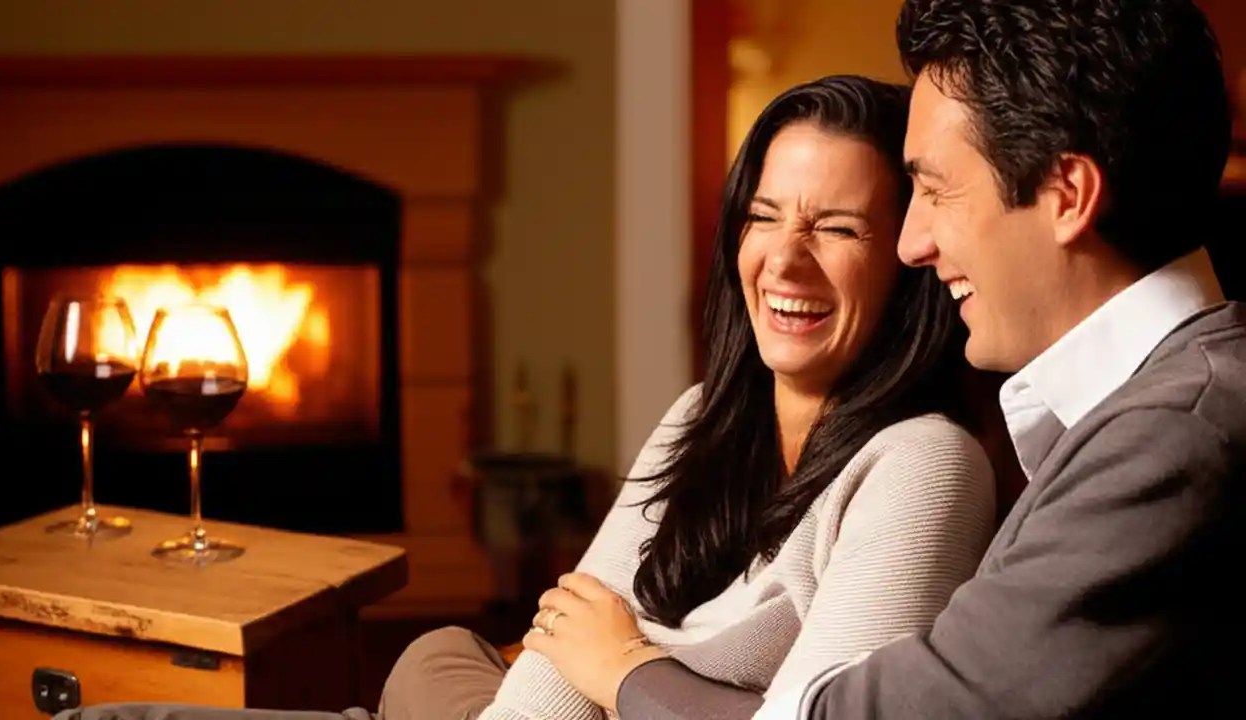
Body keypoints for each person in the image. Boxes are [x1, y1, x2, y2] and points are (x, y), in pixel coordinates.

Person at [609, 1, 1245, 718]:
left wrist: (628, 672)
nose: (913, 243)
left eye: (936, 190)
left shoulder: (1174, 436)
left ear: (1067, 196)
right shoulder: (1148, 411)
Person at [379, 74, 995, 719]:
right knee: (440, 653)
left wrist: (623, 668)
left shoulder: (925, 461)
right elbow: (569, 637)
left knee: (433, 672)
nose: (784, 259)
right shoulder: (704, 414)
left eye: (838, 230)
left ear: (910, 266)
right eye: (763, 216)